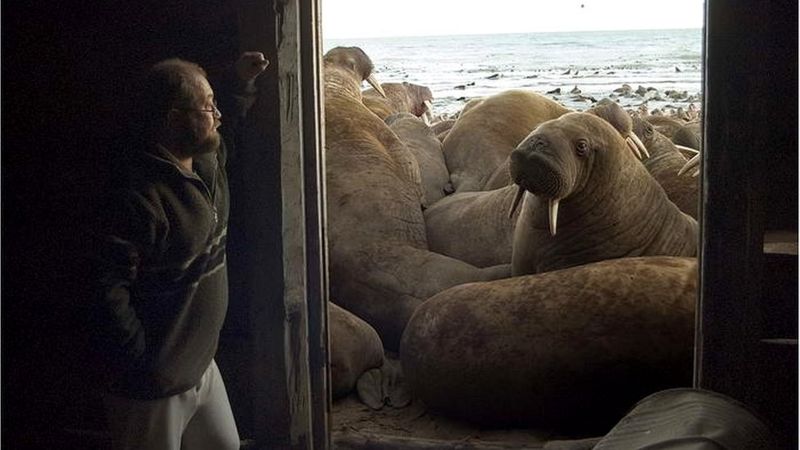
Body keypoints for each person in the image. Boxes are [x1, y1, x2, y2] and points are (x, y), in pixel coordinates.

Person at [90, 51, 269, 450]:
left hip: (201, 366)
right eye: (207, 106)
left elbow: (229, 131)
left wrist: (241, 84)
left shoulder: (205, 164)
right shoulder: (136, 198)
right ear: (173, 118)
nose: (217, 113)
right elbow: (103, 291)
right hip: (152, 389)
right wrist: (144, 365)